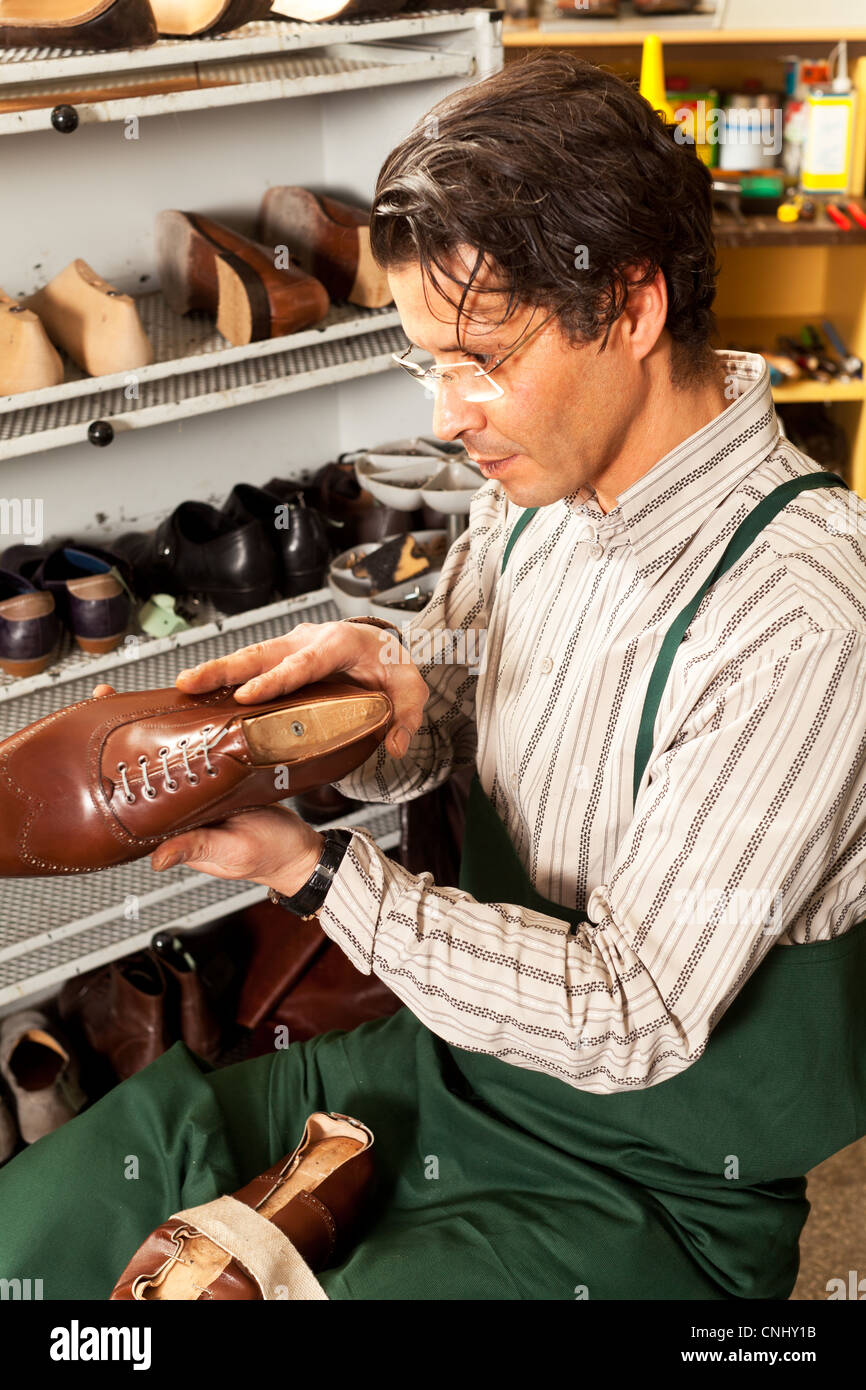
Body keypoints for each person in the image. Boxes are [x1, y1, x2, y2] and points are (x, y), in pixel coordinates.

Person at [2, 52, 866, 1302]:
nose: (449, 413)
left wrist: (314, 874)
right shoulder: (544, 486)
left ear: (627, 308)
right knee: (45, 1229)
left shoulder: (805, 615)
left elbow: (627, 1017)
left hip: (656, 1181)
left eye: (480, 356)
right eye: (425, 365)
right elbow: (442, 723)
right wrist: (385, 697)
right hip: (454, 1063)